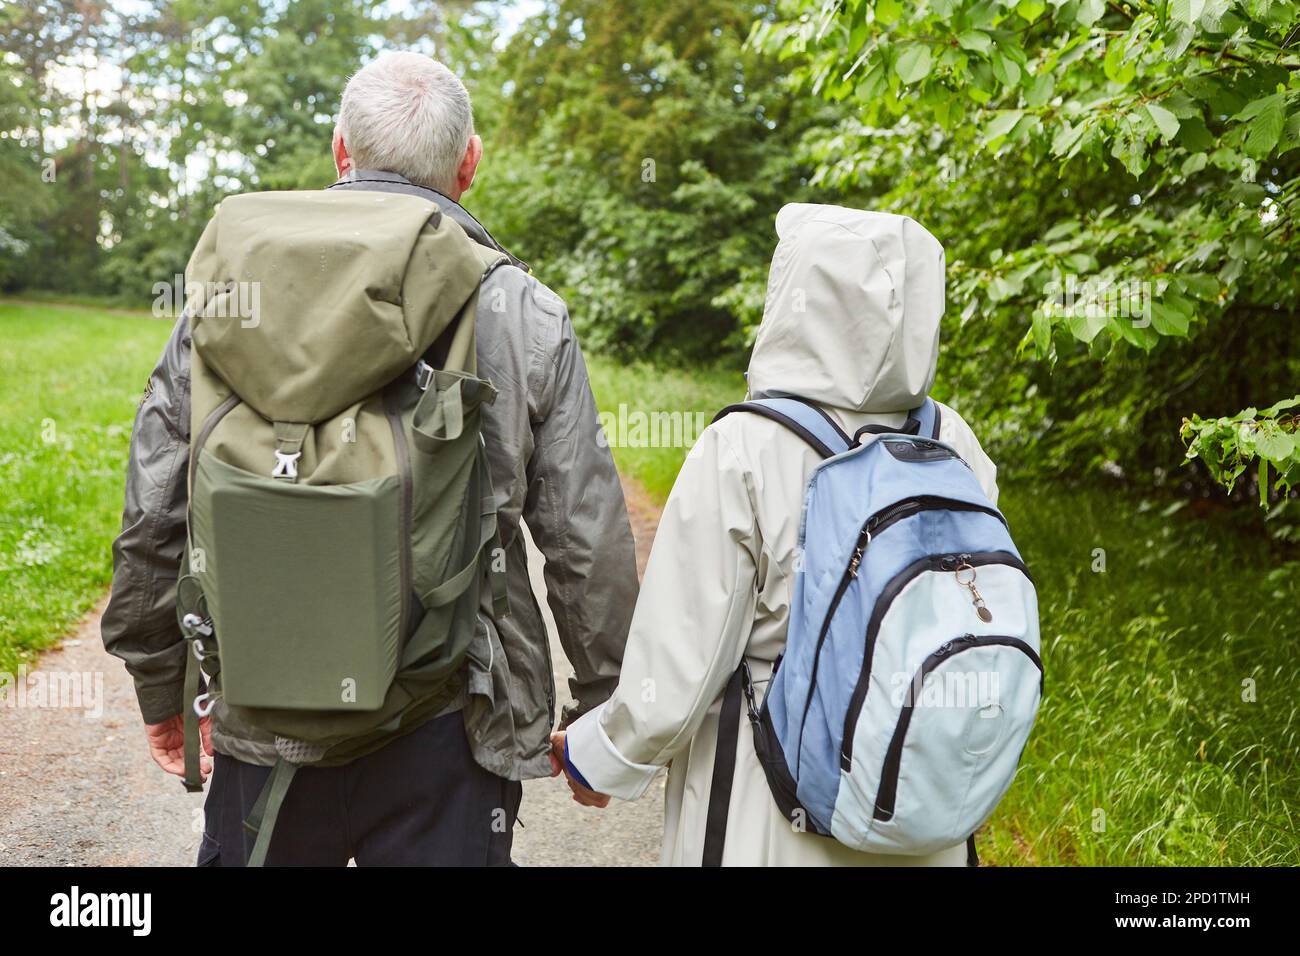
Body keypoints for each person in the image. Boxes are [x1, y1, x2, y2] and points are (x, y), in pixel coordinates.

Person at [100, 51, 638, 866]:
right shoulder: (521, 311)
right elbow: (583, 537)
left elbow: (154, 509)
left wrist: (157, 681)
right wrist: (607, 709)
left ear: (339, 151)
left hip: (262, 711)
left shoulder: (226, 298)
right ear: (469, 163)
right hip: (455, 715)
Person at [555, 203, 1000, 865]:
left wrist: (600, 757)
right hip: (920, 800)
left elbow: (679, 672)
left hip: (771, 810)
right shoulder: (955, 443)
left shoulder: (744, 446)